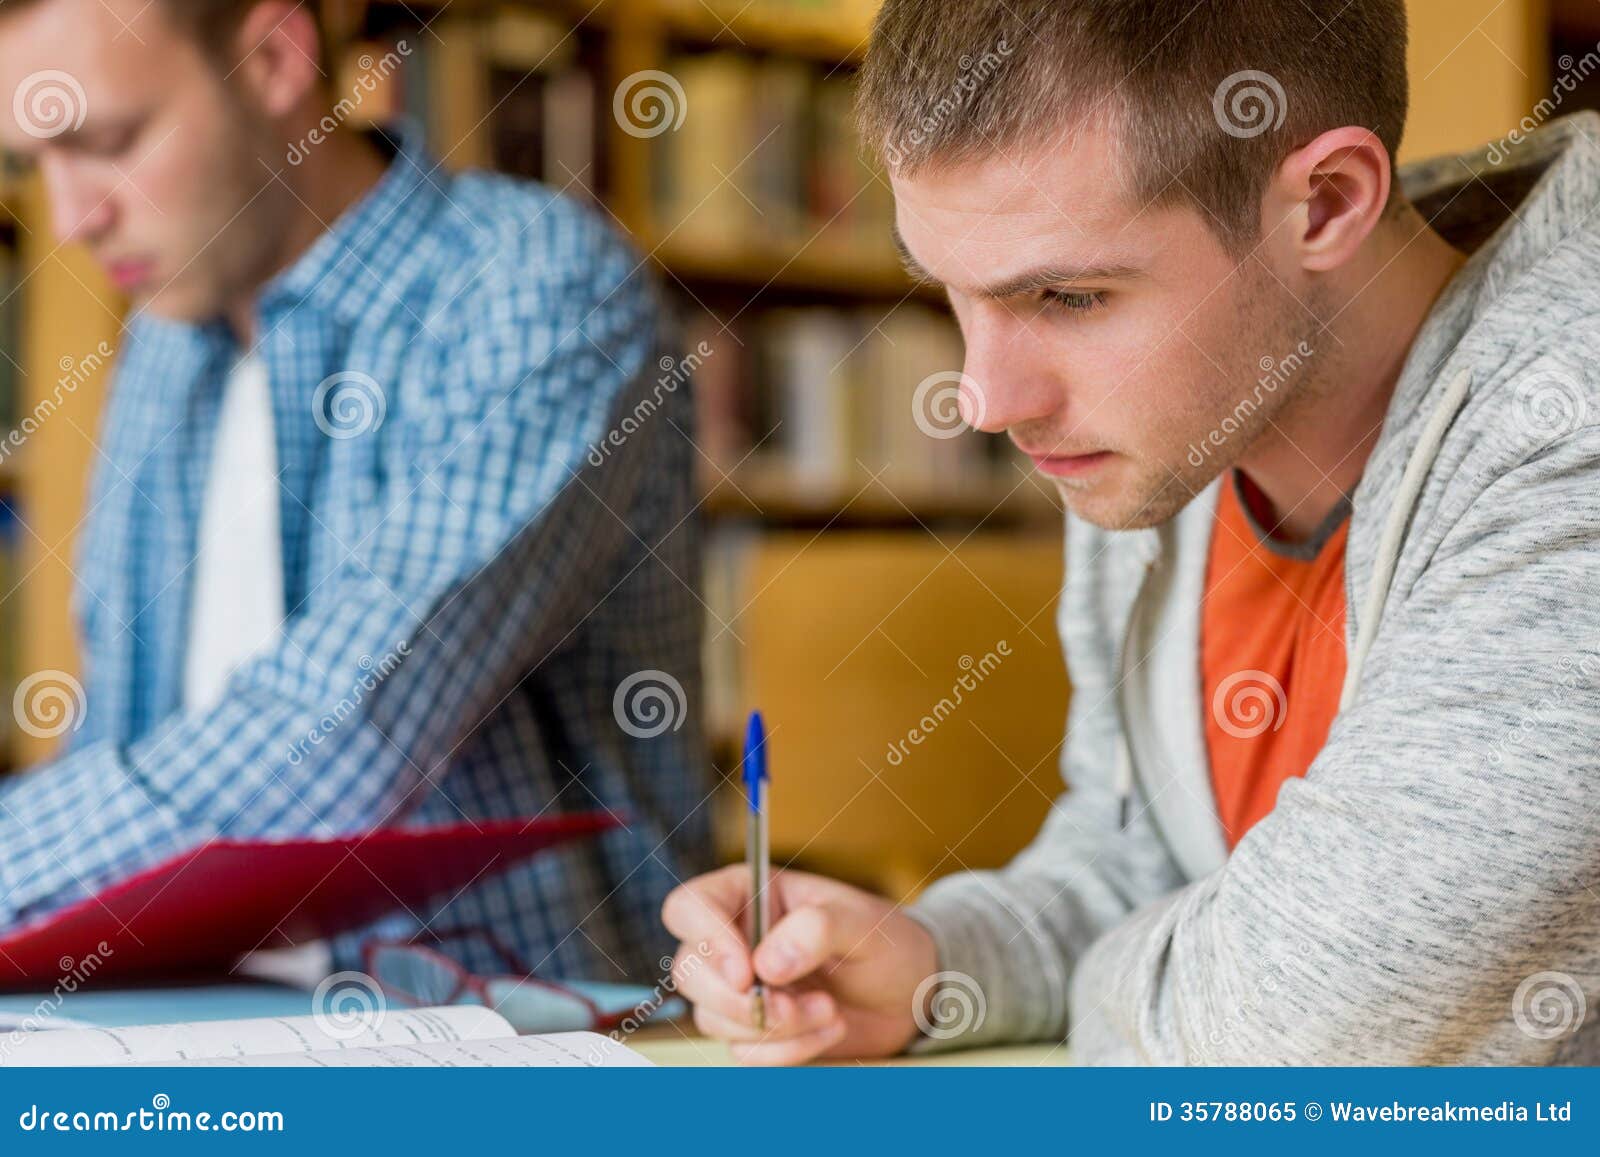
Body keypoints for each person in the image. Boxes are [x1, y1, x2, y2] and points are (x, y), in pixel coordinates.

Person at [663, 0, 1600, 1064]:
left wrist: (1130, 975)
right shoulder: (1173, 432)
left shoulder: (1569, 410)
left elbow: (1312, 1023)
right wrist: (939, 962)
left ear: (1327, 205)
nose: (983, 399)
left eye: (1065, 296)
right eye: (953, 298)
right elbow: (1135, 859)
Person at [0, 0, 707, 983]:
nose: (73, 217)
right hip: (182, 1015)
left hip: (510, 1032)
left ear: (275, 58)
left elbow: (345, 727)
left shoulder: (534, 285)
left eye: (109, 141)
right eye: (33, 162)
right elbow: (116, 731)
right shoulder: (165, 336)